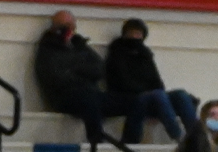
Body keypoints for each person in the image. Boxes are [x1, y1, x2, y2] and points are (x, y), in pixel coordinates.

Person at [103, 19, 197, 143]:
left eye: (138, 34)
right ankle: (178, 136)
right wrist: (150, 93)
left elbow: (157, 81)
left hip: (153, 98)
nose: (135, 37)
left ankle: (196, 135)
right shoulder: (116, 54)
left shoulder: (145, 55)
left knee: (181, 95)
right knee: (158, 94)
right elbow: (122, 82)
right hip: (131, 99)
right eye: (132, 33)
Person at [34, 12, 111, 143]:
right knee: (90, 101)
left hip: (90, 91)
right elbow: (56, 77)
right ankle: (97, 143)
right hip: (63, 97)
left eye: (71, 26)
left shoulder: (79, 45)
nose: (68, 30)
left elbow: (99, 68)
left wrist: (76, 70)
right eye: (63, 26)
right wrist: (82, 75)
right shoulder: (48, 48)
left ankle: (131, 142)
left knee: (132, 102)